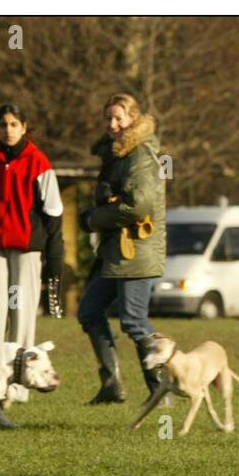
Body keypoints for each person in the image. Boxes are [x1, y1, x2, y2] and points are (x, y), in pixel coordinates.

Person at [77, 93, 167, 405]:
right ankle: (112, 383)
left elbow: (139, 206)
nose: (112, 124)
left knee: (134, 321)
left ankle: (161, 389)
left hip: (136, 251)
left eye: (119, 118)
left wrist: (93, 219)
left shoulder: (140, 155)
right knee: (89, 311)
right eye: (108, 119)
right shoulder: (117, 155)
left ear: (134, 119)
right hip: (116, 253)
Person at [0, 104, 64, 349]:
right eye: (3, 125)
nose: (8, 130)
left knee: (18, 309)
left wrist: (55, 256)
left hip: (25, 250)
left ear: (24, 128)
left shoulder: (39, 163)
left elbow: (53, 212)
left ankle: (19, 375)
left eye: (14, 124)